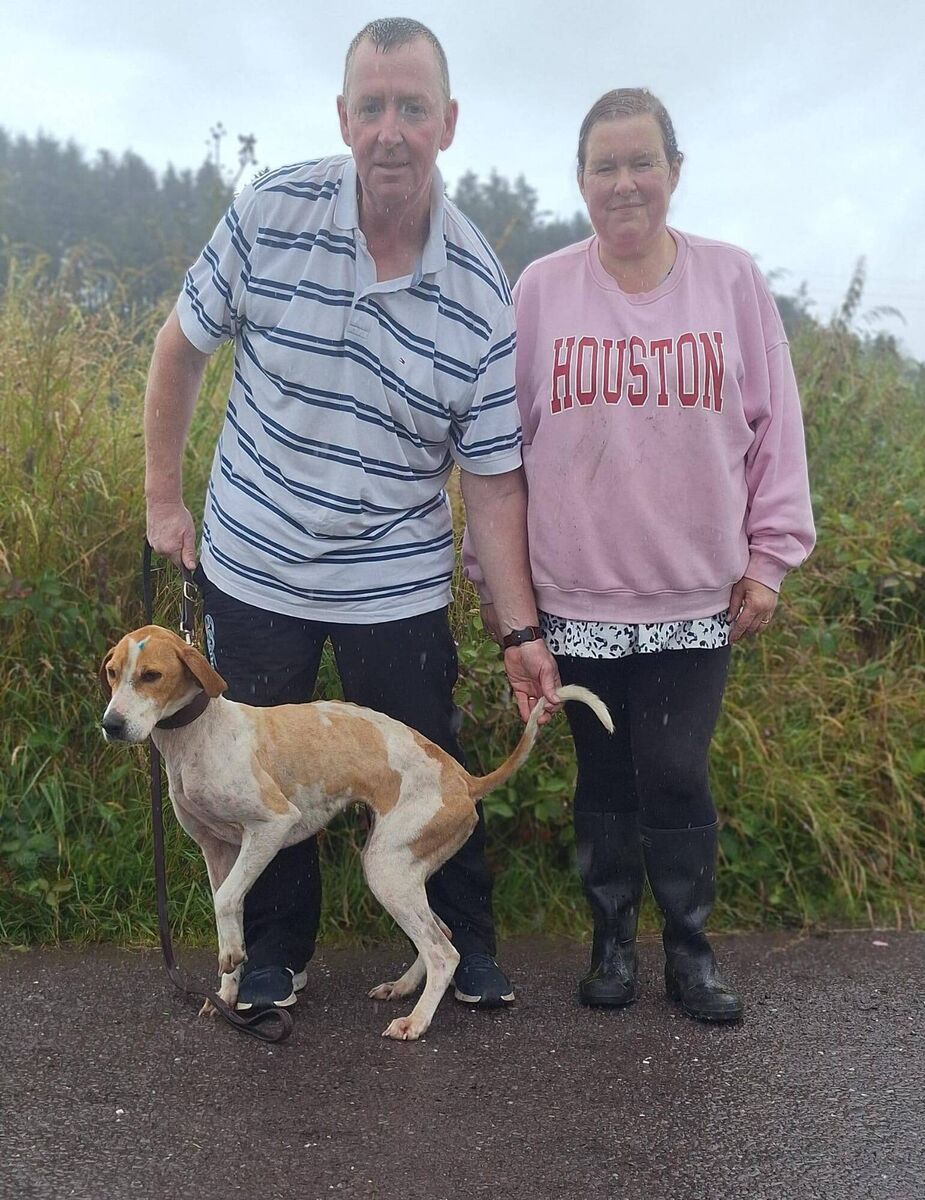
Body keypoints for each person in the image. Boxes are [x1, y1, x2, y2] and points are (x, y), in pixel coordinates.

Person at [143, 17, 560, 1014]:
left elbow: (493, 482)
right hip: (256, 560)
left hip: (396, 581)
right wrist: (164, 498)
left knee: (429, 760)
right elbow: (180, 349)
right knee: (258, 773)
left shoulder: (477, 292)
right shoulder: (269, 209)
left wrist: (519, 630)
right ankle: (277, 958)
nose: (389, 129)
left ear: (446, 123)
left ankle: (470, 950)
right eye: (370, 106)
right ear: (342, 116)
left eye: (412, 108)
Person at [466, 89, 815, 1022]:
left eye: (640, 163)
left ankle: (690, 952)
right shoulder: (540, 290)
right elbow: (497, 448)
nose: (623, 184)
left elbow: (775, 426)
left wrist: (770, 559)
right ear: (580, 180)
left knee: (674, 770)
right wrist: (509, 604)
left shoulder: (731, 280)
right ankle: (611, 939)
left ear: (672, 170)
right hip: (576, 594)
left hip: (698, 592)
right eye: (603, 166)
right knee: (605, 774)